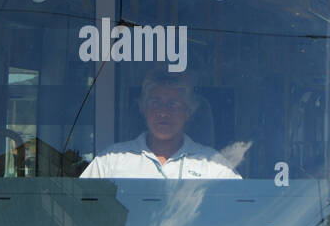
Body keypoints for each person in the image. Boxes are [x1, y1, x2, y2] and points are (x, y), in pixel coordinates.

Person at [80, 71, 241, 179]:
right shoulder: (111, 160)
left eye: (172, 104)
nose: (163, 112)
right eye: (155, 103)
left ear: (188, 112)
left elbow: (242, 214)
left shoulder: (212, 166)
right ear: (144, 109)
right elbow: (78, 208)